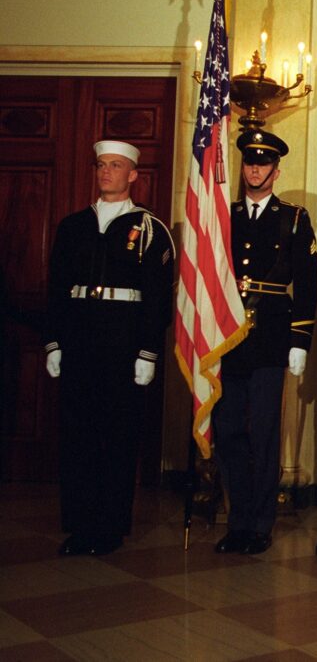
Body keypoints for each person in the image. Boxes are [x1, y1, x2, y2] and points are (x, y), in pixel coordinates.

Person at [44, 140, 175, 556]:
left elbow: (157, 296)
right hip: (80, 339)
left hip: (123, 341)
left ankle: (110, 526)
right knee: (79, 435)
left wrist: (148, 352)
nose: (106, 173)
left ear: (133, 175)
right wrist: (54, 342)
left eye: (115, 166)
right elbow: (56, 290)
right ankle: (80, 525)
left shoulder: (151, 229)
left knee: (117, 436)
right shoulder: (73, 226)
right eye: (101, 165)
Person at [212, 130, 317, 556]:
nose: (255, 170)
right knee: (229, 429)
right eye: (249, 163)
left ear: (277, 170)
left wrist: (301, 338)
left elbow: (308, 283)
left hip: (271, 335)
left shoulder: (293, 218)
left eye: (263, 164)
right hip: (226, 334)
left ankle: (259, 523)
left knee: (264, 433)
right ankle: (236, 519)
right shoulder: (224, 215)